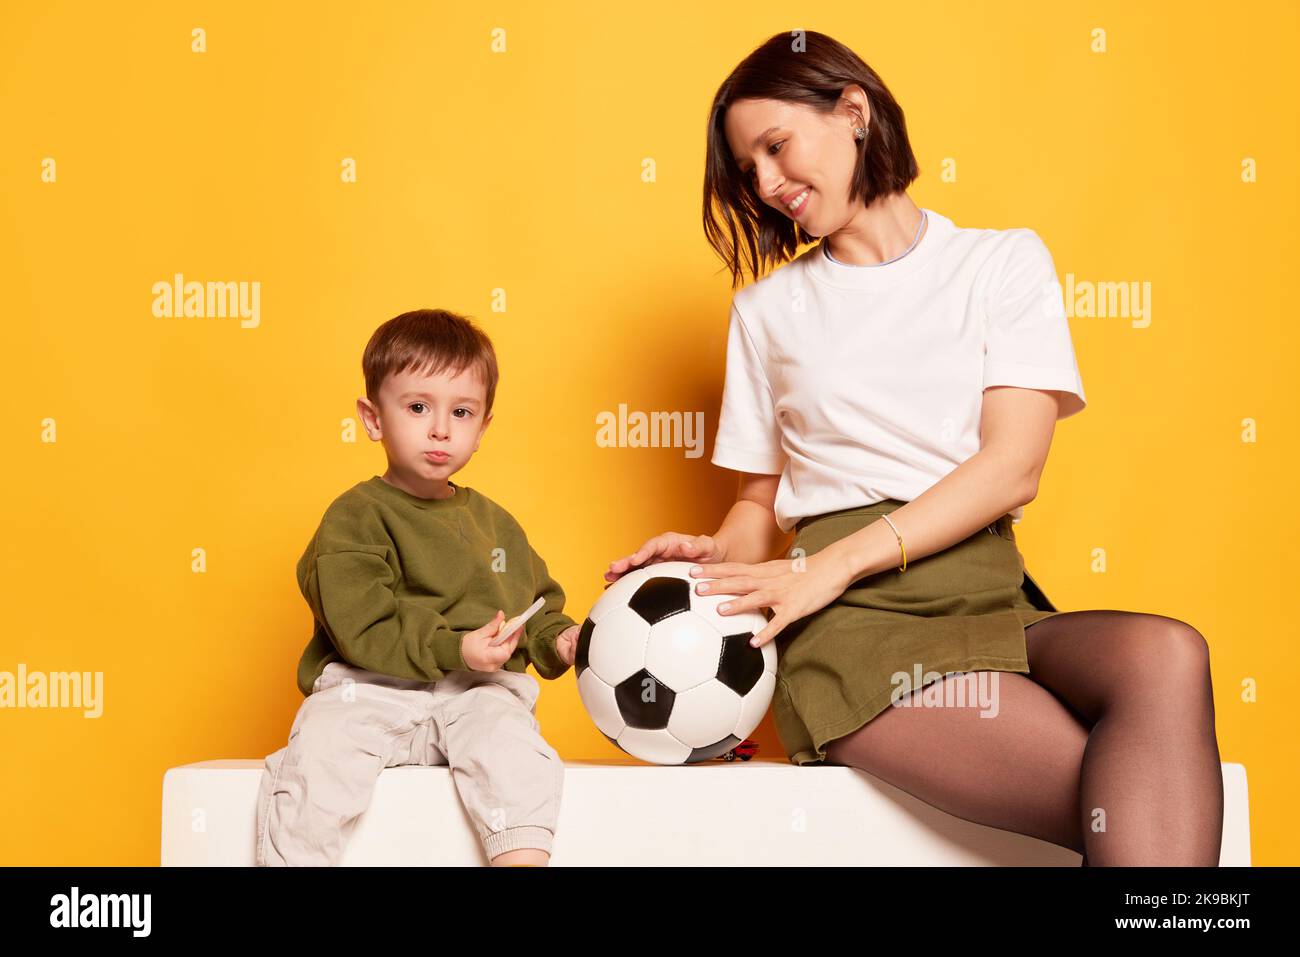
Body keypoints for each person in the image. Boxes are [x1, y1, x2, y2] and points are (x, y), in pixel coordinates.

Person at [606, 31, 1223, 866]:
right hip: (850, 628)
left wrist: (839, 558)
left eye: (776, 146)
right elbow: (760, 503)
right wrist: (711, 559)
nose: (767, 183)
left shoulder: (1001, 262)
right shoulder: (766, 313)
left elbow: (1014, 467)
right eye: (749, 169)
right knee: (1127, 792)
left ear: (853, 110)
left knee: (1167, 652)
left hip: (990, 594)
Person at [256, 308, 580, 867]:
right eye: (417, 407)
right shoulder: (354, 518)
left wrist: (560, 640)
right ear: (373, 417)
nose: (440, 429)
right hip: (370, 690)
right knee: (321, 753)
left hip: (474, 695)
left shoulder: (496, 524)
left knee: (516, 750)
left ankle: (520, 859)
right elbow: (363, 626)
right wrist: (455, 648)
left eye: (461, 412)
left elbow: (536, 605)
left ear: (483, 428)